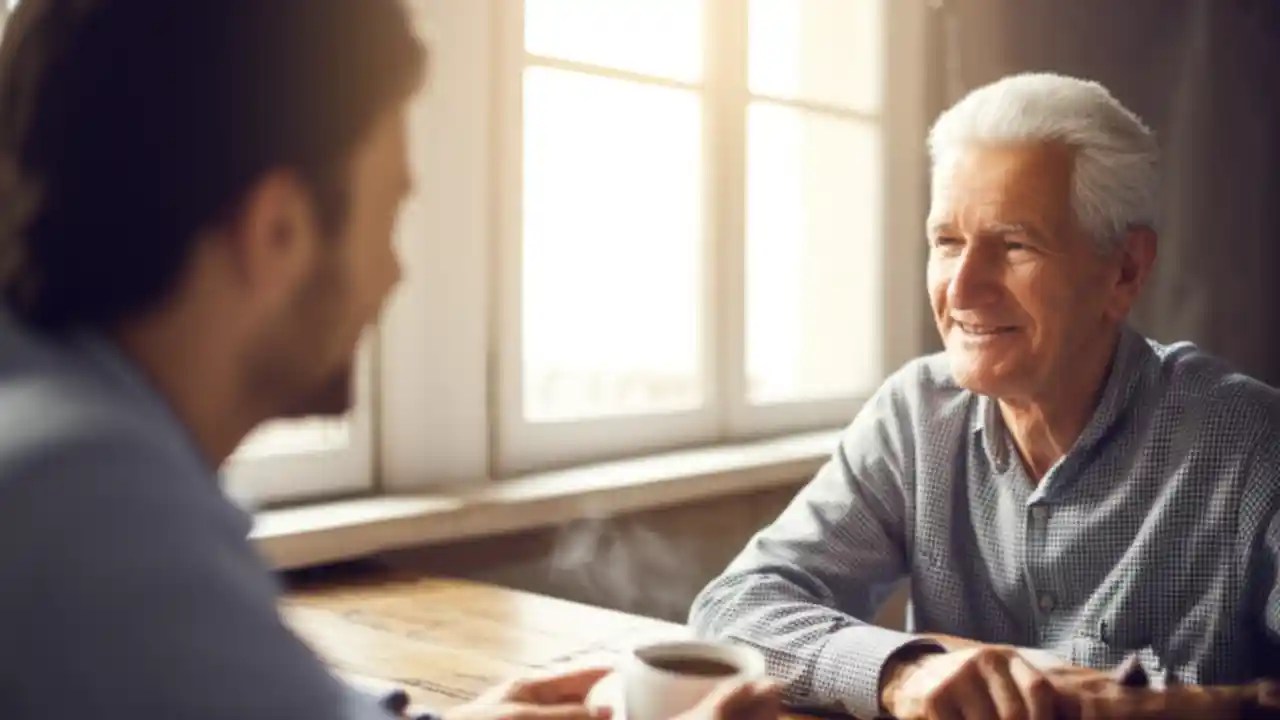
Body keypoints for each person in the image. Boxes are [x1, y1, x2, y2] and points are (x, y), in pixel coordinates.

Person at [0, 2, 779, 719]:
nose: (395, 275)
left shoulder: (55, 436)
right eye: (391, 213)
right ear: (279, 230)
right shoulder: (86, 503)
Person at [690, 72, 1280, 720]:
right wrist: (907, 672)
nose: (963, 289)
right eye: (947, 242)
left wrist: (1174, 709)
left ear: (1124, 270)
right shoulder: (916, 413)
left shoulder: (1253, 444)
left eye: (1014, 244)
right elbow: (733, 610)